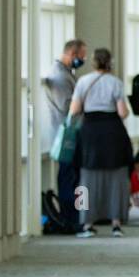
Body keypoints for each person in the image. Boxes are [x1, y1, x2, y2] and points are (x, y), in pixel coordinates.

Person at [70, 47, 133, 238]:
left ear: (93, 62)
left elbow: (74, 110)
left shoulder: (83, 81)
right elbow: (123, 113)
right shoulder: (115, 83)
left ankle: (86, 223)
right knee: (117, 178)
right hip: (113, 131)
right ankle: (116, 223)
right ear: (110, 63)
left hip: (90, 131)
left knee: (86, 178)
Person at [42, 38, 87, 230]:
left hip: (74, 134)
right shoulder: (60, 77)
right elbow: (68, 106)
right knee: (69, 177)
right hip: (68, 136)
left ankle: (81, 216)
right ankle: (72, 218)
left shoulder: (67, 74)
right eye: (81, 56)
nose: (82, 60)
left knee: (78, 178)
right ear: (71, 53)